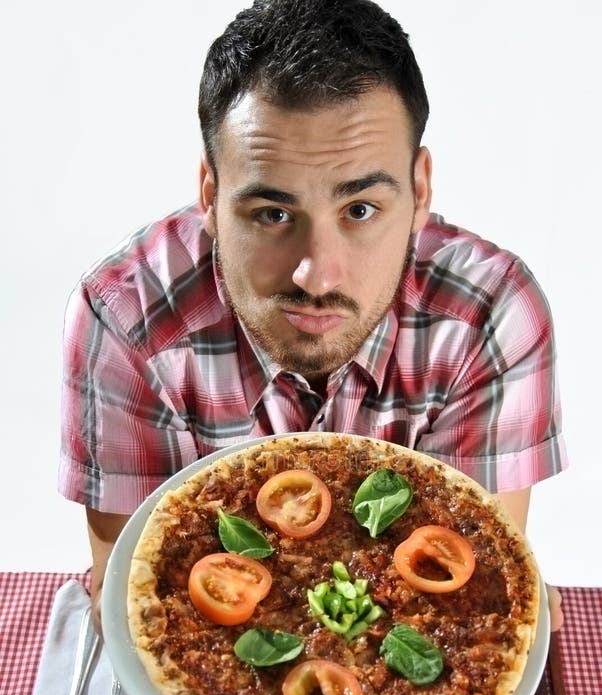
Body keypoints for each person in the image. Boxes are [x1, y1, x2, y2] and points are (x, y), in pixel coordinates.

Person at [59, 0, 566, 629]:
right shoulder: (127, 320)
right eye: (272, 214)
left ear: (420, 189)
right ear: (212, 198)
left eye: (359, 210)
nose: (317, 274)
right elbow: (131, 592)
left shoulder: (491, 318)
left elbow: (473, 596)